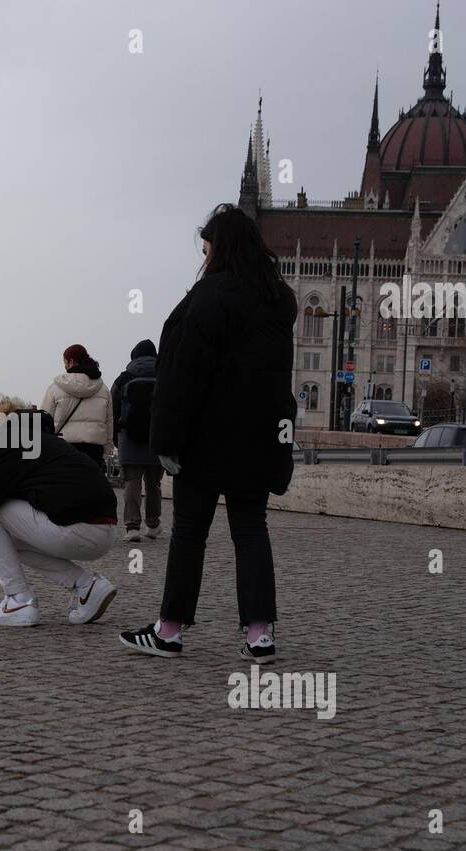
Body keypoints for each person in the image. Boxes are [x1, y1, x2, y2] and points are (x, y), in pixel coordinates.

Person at [118, 204, 296, 663]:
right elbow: (279, 381)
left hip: (205, 440)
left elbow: (181, 377)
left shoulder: (207, 297)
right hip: (256, 441)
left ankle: (170, 630)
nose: (204, 254)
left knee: (190, 533)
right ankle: (259, 635)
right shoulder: (279, 300)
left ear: (220, 247)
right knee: (251, 532)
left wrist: (167, 442)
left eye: (207, 246)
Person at [0, 401, 118, 628]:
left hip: (77, 527)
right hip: (102, 529)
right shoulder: (32, 439)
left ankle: (18, 600)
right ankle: (87, 585)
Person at [110, 339, 162, 543]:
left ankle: (132, 527)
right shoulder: (164, 375)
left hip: (129, 439)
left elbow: (112, 410)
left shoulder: (124, 378)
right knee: (154, 485)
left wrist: (116, 438)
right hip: (157, 439)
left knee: (132, 484)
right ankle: (153, 524)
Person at [40, 344, 113, 467]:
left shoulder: (55, 388)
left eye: (65, 361)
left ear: (71, 362)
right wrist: (107, 448)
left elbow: (44, 420)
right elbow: (108, 421)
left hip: (63, 448)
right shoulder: (103, 390)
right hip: (94, 450)